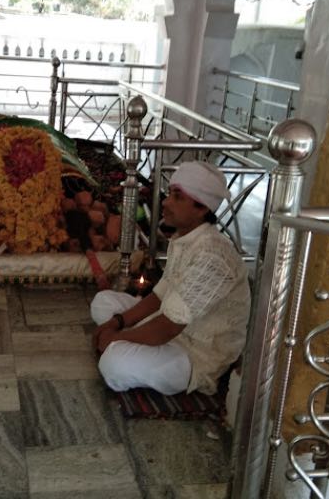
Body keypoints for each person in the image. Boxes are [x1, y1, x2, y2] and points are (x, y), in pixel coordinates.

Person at [91, 161, 250, 395]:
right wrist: (117, 323)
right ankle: (130, 341)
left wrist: (115, 338)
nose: (165, 202)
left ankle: (130, 349)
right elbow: (159, 295)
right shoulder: (185, 238)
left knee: (114, 363)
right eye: (169, 194)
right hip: (169, 321)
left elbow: (167, 328)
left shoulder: (213, 257)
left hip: (196, 351)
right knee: (102, 302)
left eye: (177, 197)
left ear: (201, 208)